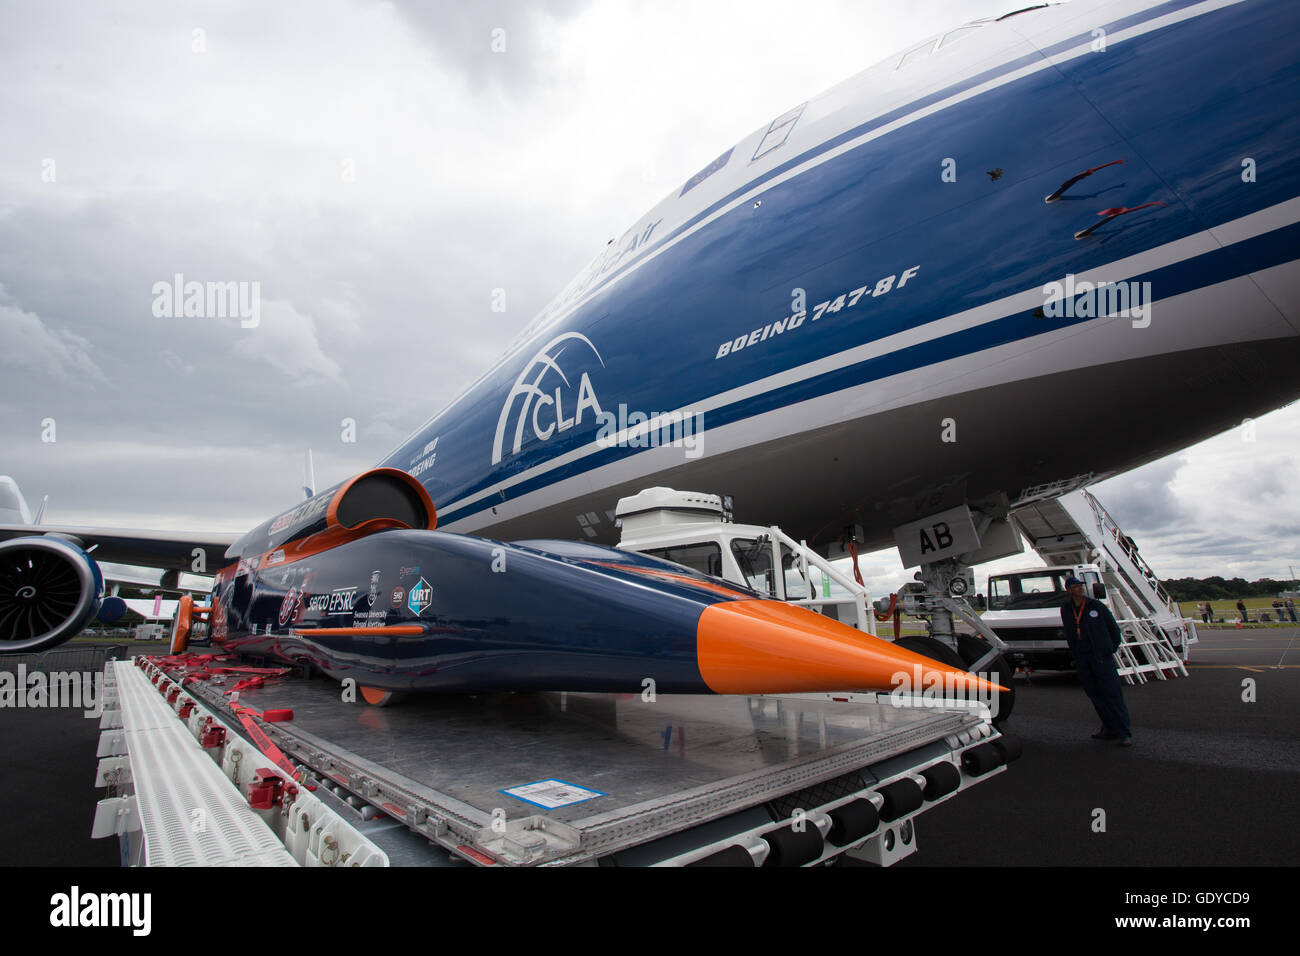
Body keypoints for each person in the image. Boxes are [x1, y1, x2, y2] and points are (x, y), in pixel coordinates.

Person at [1061, 577, 1132, 745]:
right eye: (1076, 587)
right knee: (1095, 695)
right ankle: (1108, 728)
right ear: (1069, 590)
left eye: (1081, 586)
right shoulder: (1066, 609)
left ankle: (1124, 732)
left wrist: (1109, 649)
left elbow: (1113, 629)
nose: (1080, 589)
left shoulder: (1096, 606)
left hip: (1100, 657)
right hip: (1083, 657)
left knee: (1112, 695)